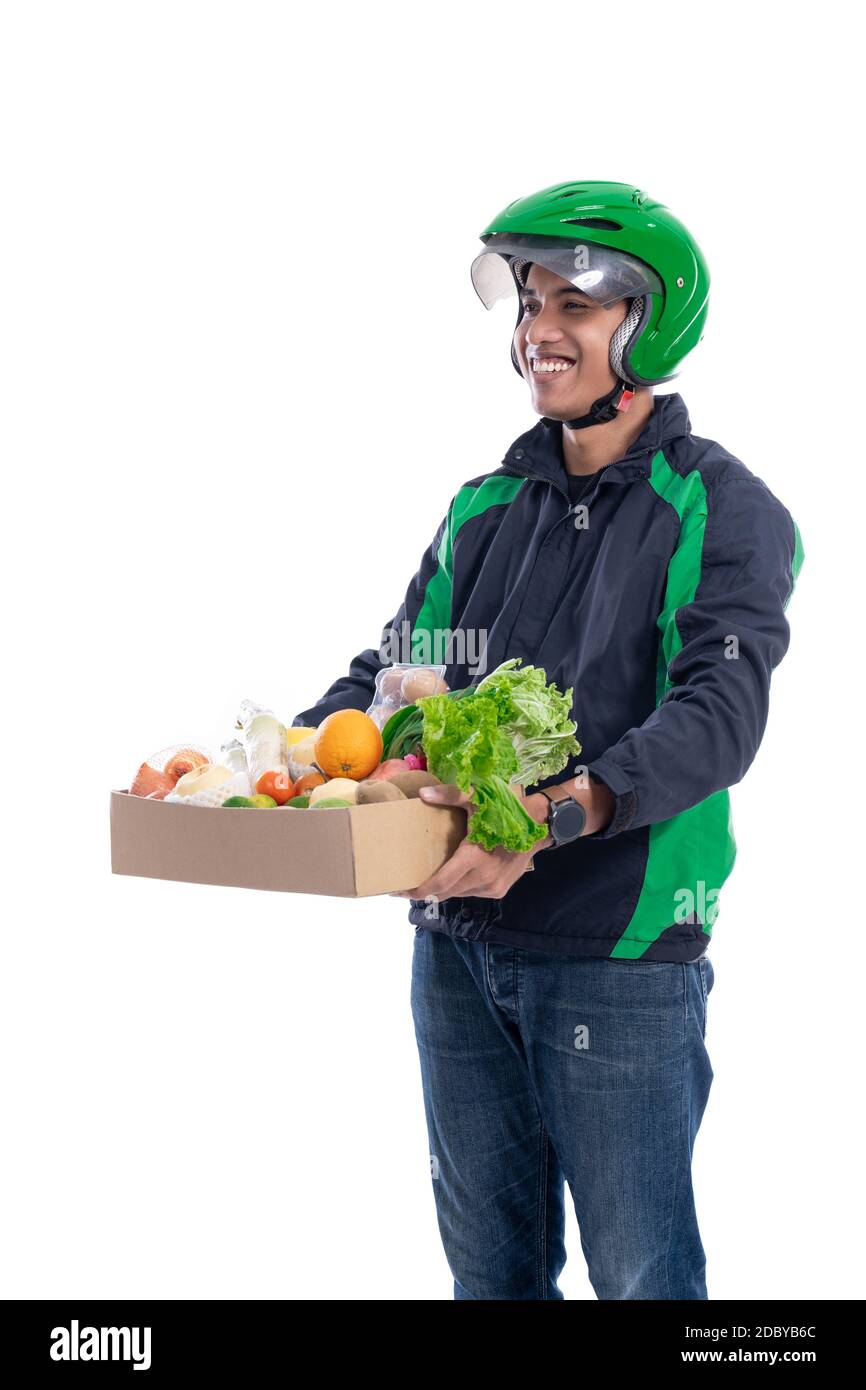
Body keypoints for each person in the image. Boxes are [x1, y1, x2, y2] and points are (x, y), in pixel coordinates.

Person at [291, 181, 804, 1300]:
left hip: (614, 956)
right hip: (455, 946)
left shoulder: (719, 507)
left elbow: (716, 719)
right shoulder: (484, 506)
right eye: (529, 300)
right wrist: (285, 762)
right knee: (490, 1280)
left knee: (640, 1280)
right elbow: (393, 678)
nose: (538, 330)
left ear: (643, 323)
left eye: (573, 303)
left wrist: (554, 814)